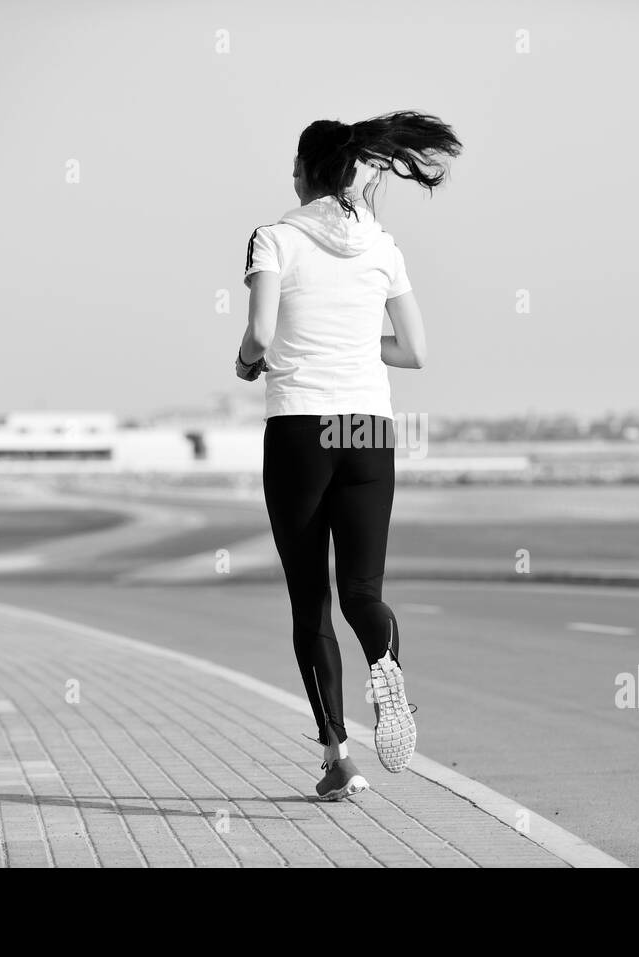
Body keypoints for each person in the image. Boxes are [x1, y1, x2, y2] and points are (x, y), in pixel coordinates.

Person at [235, 111, 462, 800]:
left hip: (301, 428)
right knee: (363, 591)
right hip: (366, 428)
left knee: (312, 601)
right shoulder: (382, 246)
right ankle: (386, 661)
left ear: (304, 173)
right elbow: (416, 352)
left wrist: (248, 363)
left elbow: (261, 332)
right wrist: (361, 349)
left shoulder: (274, 237)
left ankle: (338, 757)